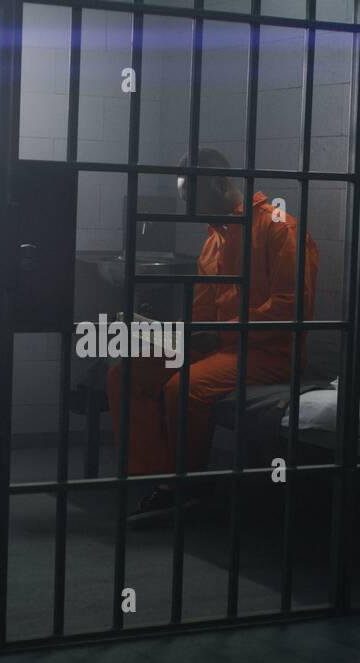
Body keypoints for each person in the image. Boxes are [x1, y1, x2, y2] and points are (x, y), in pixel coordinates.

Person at [106, 148, 320, 526]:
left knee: (183, 387)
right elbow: (203, 314)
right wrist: (174, 336)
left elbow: (292, 309)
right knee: (127, 373)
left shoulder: (278, 228)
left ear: (222, 184)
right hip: (223, 347)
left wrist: (218, 332)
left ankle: (186, 486)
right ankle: (161, 477)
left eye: (193, 198)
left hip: (270, 353)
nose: (189, 209)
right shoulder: (213, 241)